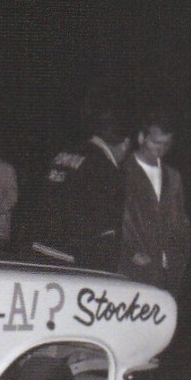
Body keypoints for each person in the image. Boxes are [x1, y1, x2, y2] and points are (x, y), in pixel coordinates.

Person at [44, 109, 131, 270]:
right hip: (71, 259)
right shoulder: (106, 168)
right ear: (125, 143)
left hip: (41, 247)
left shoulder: (63, 154)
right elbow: (106, 229)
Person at [119, 113, 191, 293]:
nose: (161, 150)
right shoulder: (122, 172)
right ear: (142, 138)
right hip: (132, 272)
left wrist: (179, 256)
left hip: (167, 273)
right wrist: (128, 253)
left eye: (167, 144)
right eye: (156, 143)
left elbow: (180, 222)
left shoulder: (173, 177)